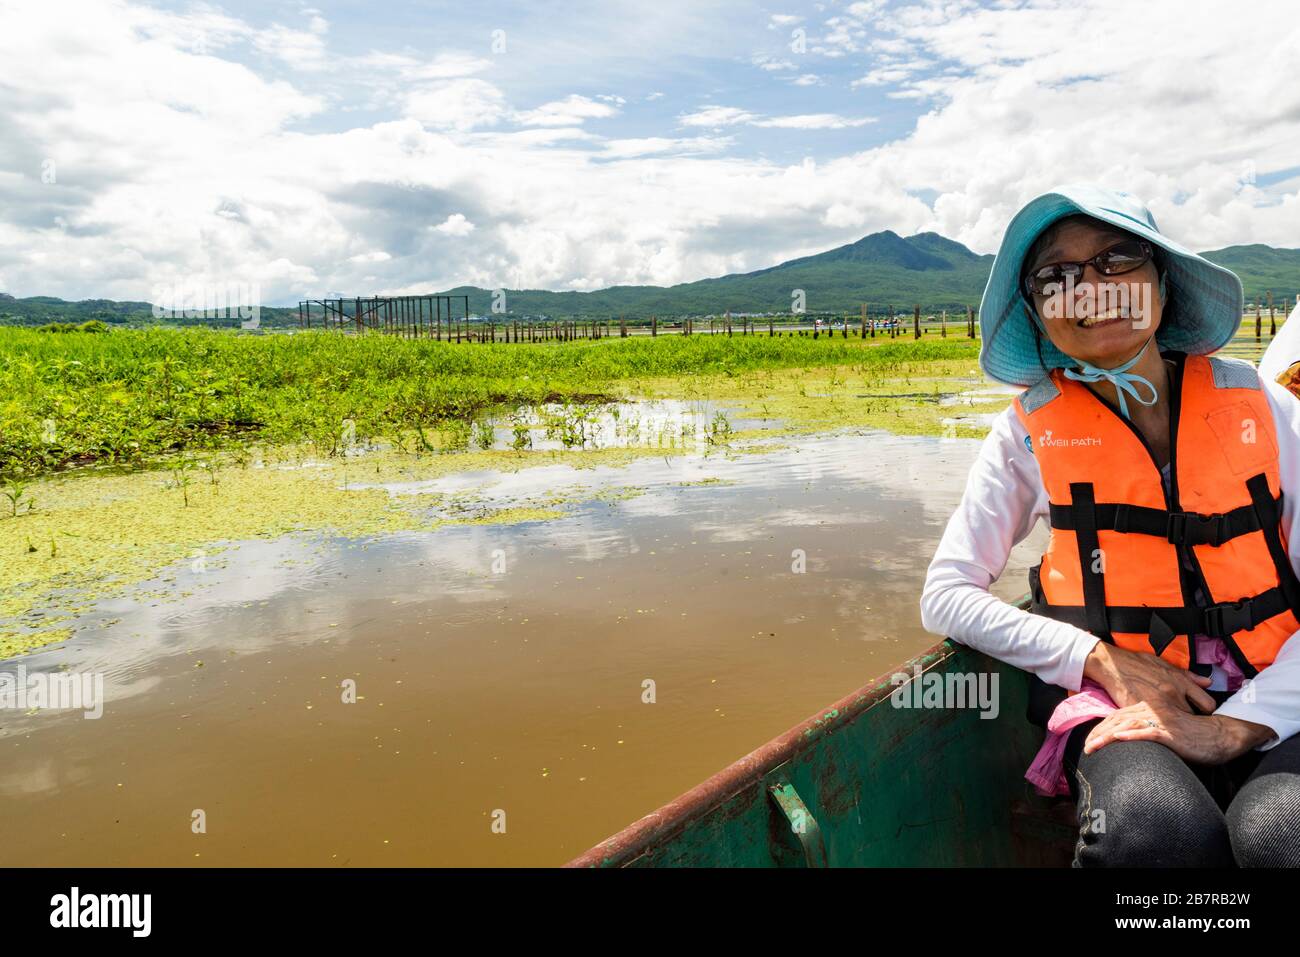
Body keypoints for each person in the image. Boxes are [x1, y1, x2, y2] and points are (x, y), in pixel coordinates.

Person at [921, 185, 1300, 867]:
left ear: (1163, 281)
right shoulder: (1025, 434)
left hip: (1281, 690)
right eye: (1056, 275)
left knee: (1284, 833)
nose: (1089, 288)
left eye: (1117, 258)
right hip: (1119, 716)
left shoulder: (1266, 408)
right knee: (1154, 831)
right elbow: (946, 593)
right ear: (1039, 313)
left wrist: (1239, 724)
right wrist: (1096, 657)